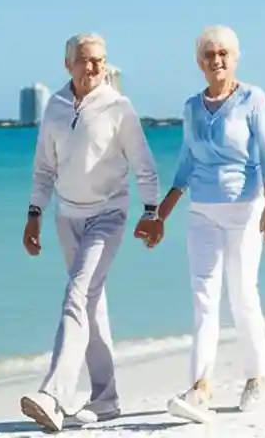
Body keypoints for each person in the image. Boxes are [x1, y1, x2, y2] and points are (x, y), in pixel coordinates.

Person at [134, 24, 265, 424]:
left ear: (235, 58)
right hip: (201, 211)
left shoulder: (253, 98)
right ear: (199, 62)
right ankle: (200, 387)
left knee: (242, 295)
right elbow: (185, 165)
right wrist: (158, 215)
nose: (217, 61)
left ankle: (257, 377)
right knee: (203, 300)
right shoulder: (191, 107)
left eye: (224, 54)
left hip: (244, 208)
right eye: (209, 55)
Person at [19, 33, 161, 432]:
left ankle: (54, 394)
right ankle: (106, 398)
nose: (94, 67)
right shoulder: (56, 106)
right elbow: (44, 168)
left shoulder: (119, 107)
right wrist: (34, 215)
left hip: (108, 216)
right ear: (69, 65)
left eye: (100, 60)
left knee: (76, 296)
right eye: (85, 60)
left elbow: (144, 164)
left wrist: (151, 211)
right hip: (66, 218)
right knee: (91, 308)